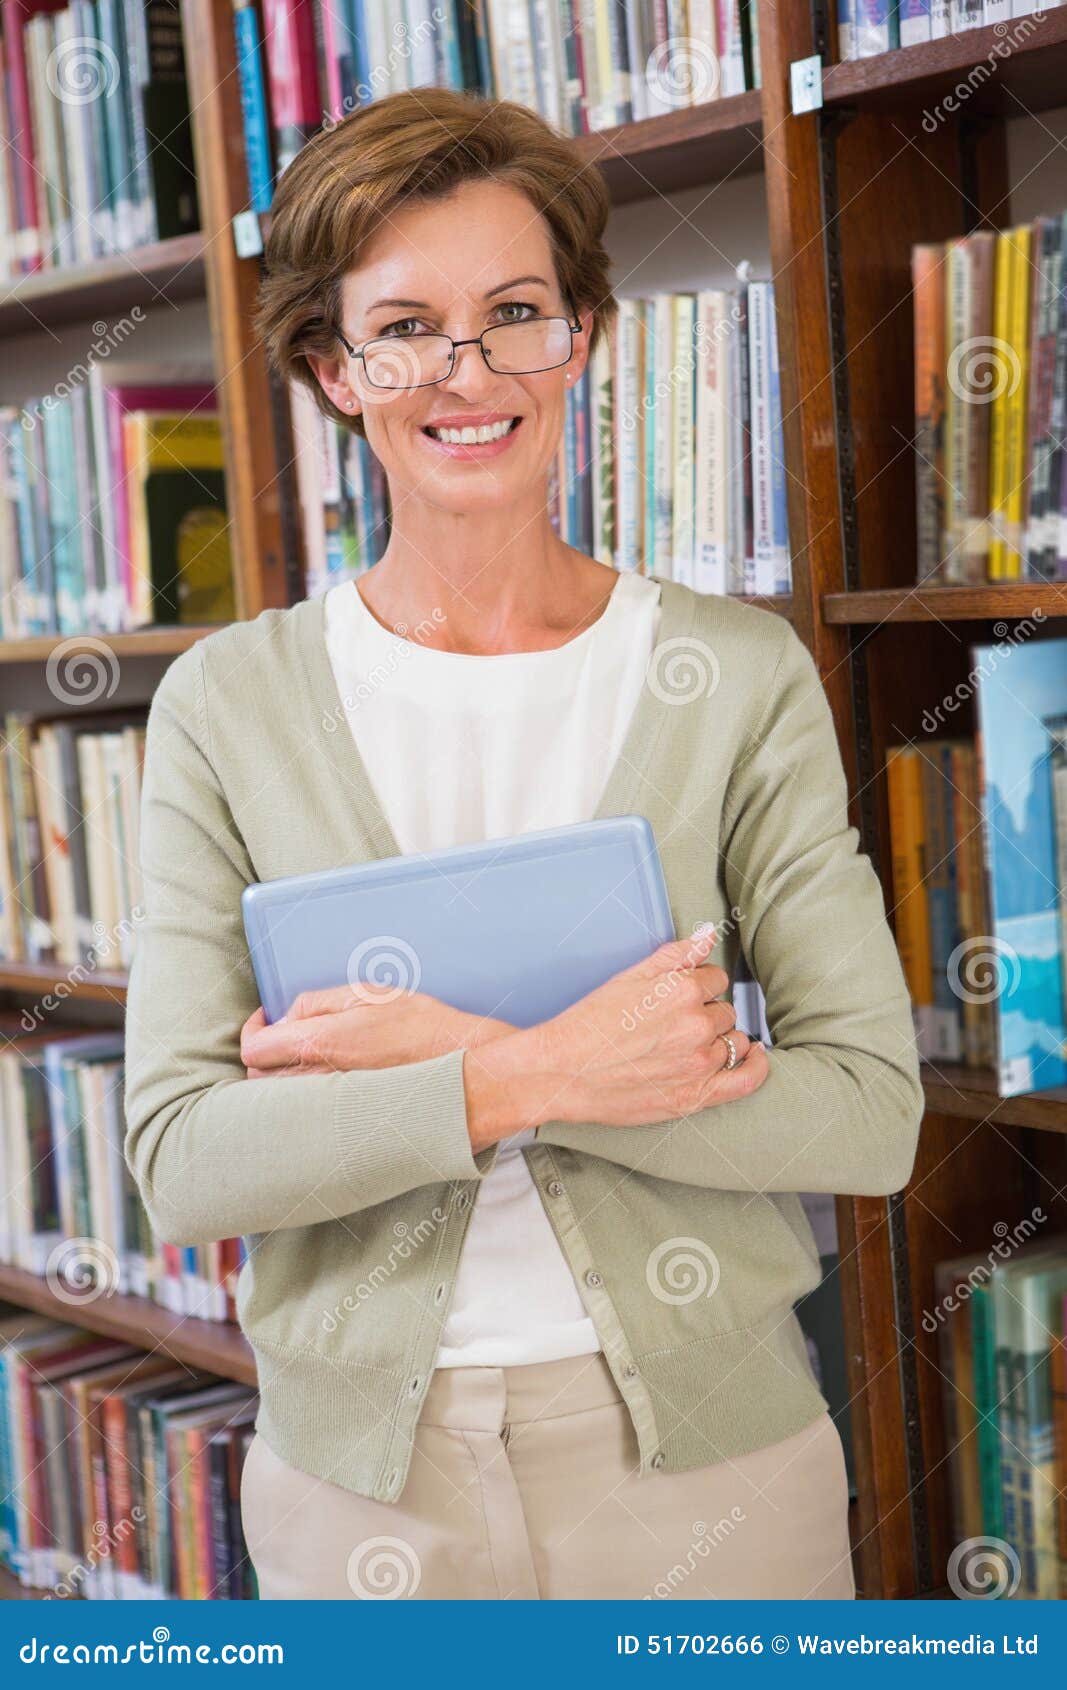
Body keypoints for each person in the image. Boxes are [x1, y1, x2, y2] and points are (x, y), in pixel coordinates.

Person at [123, 86, 923, 1601]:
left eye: (516, 312)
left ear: (584, 337)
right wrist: (532, 1073)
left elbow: (871, 1113)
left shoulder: (736, 678)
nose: (466, 370)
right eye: (407, 325)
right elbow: (182, 1156)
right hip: (366, 1486)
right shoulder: (229, 705)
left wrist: (434, 1060)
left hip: (715, 1469)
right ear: (331, 367)